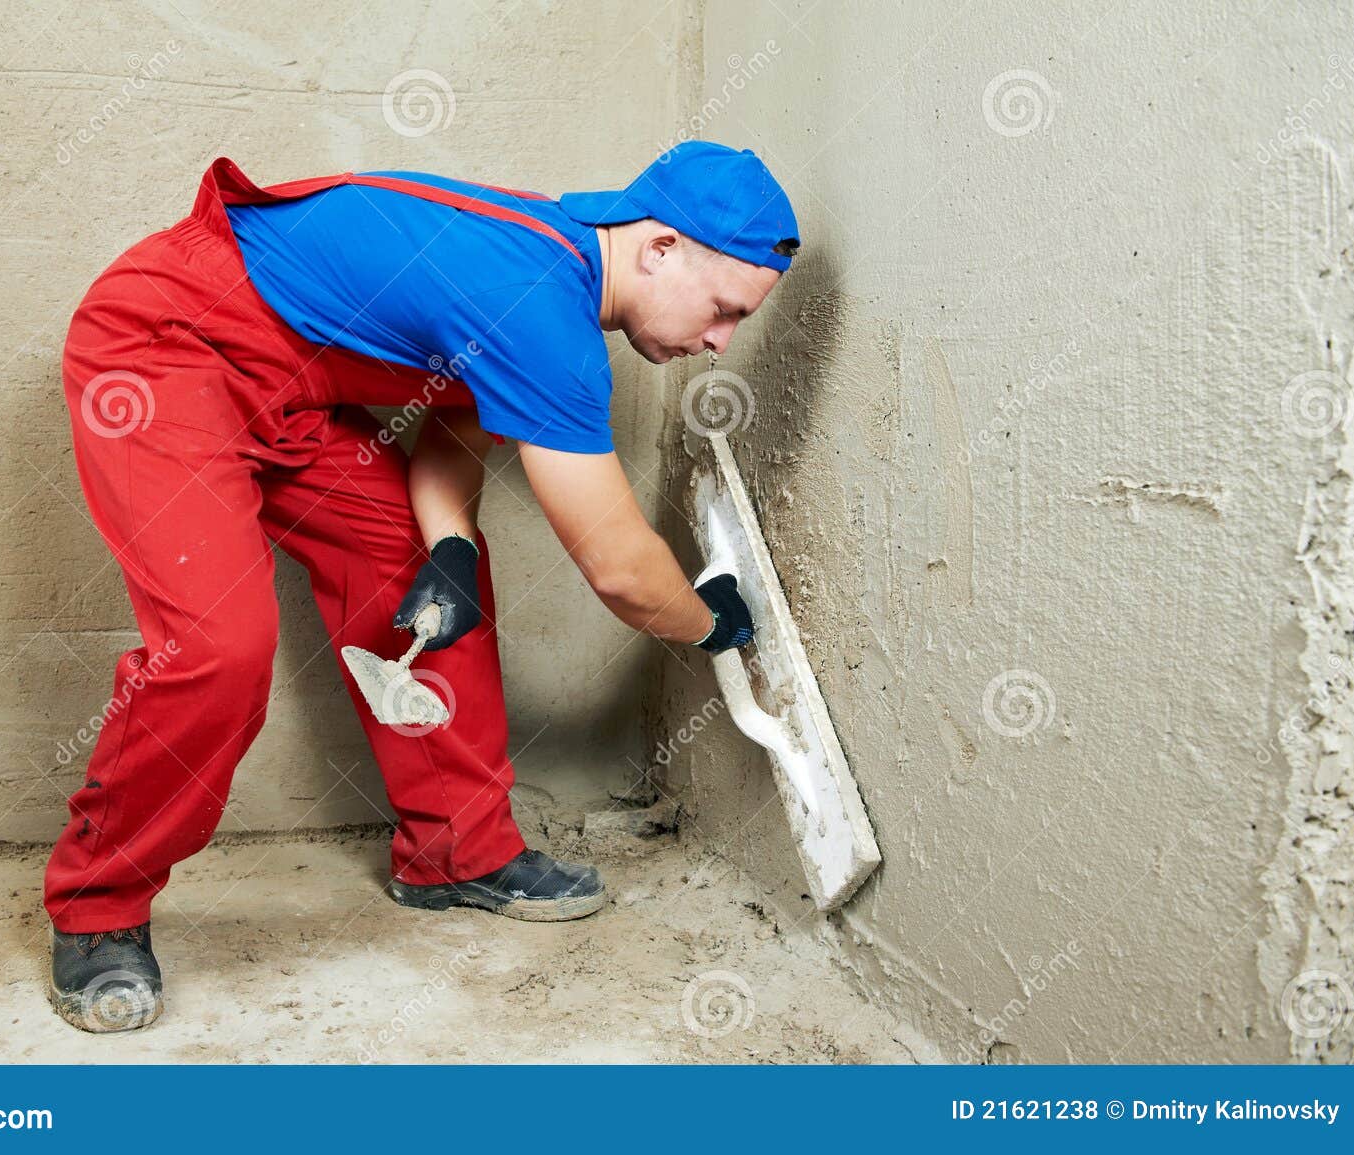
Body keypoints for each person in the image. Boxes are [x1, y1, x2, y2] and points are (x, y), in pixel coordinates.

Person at [43, 140, 800, 1032]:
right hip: (168, 344)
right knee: (220, 646)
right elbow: (624, 572)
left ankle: (456, 852)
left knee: (435, 577)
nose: (719, 342)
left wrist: (447, 547)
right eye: (724, 310)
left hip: (297, 388)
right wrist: (707, 621)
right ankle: (96, 906)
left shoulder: (547, 264)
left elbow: (454, 415)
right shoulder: (540, 308)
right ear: (662, 246)